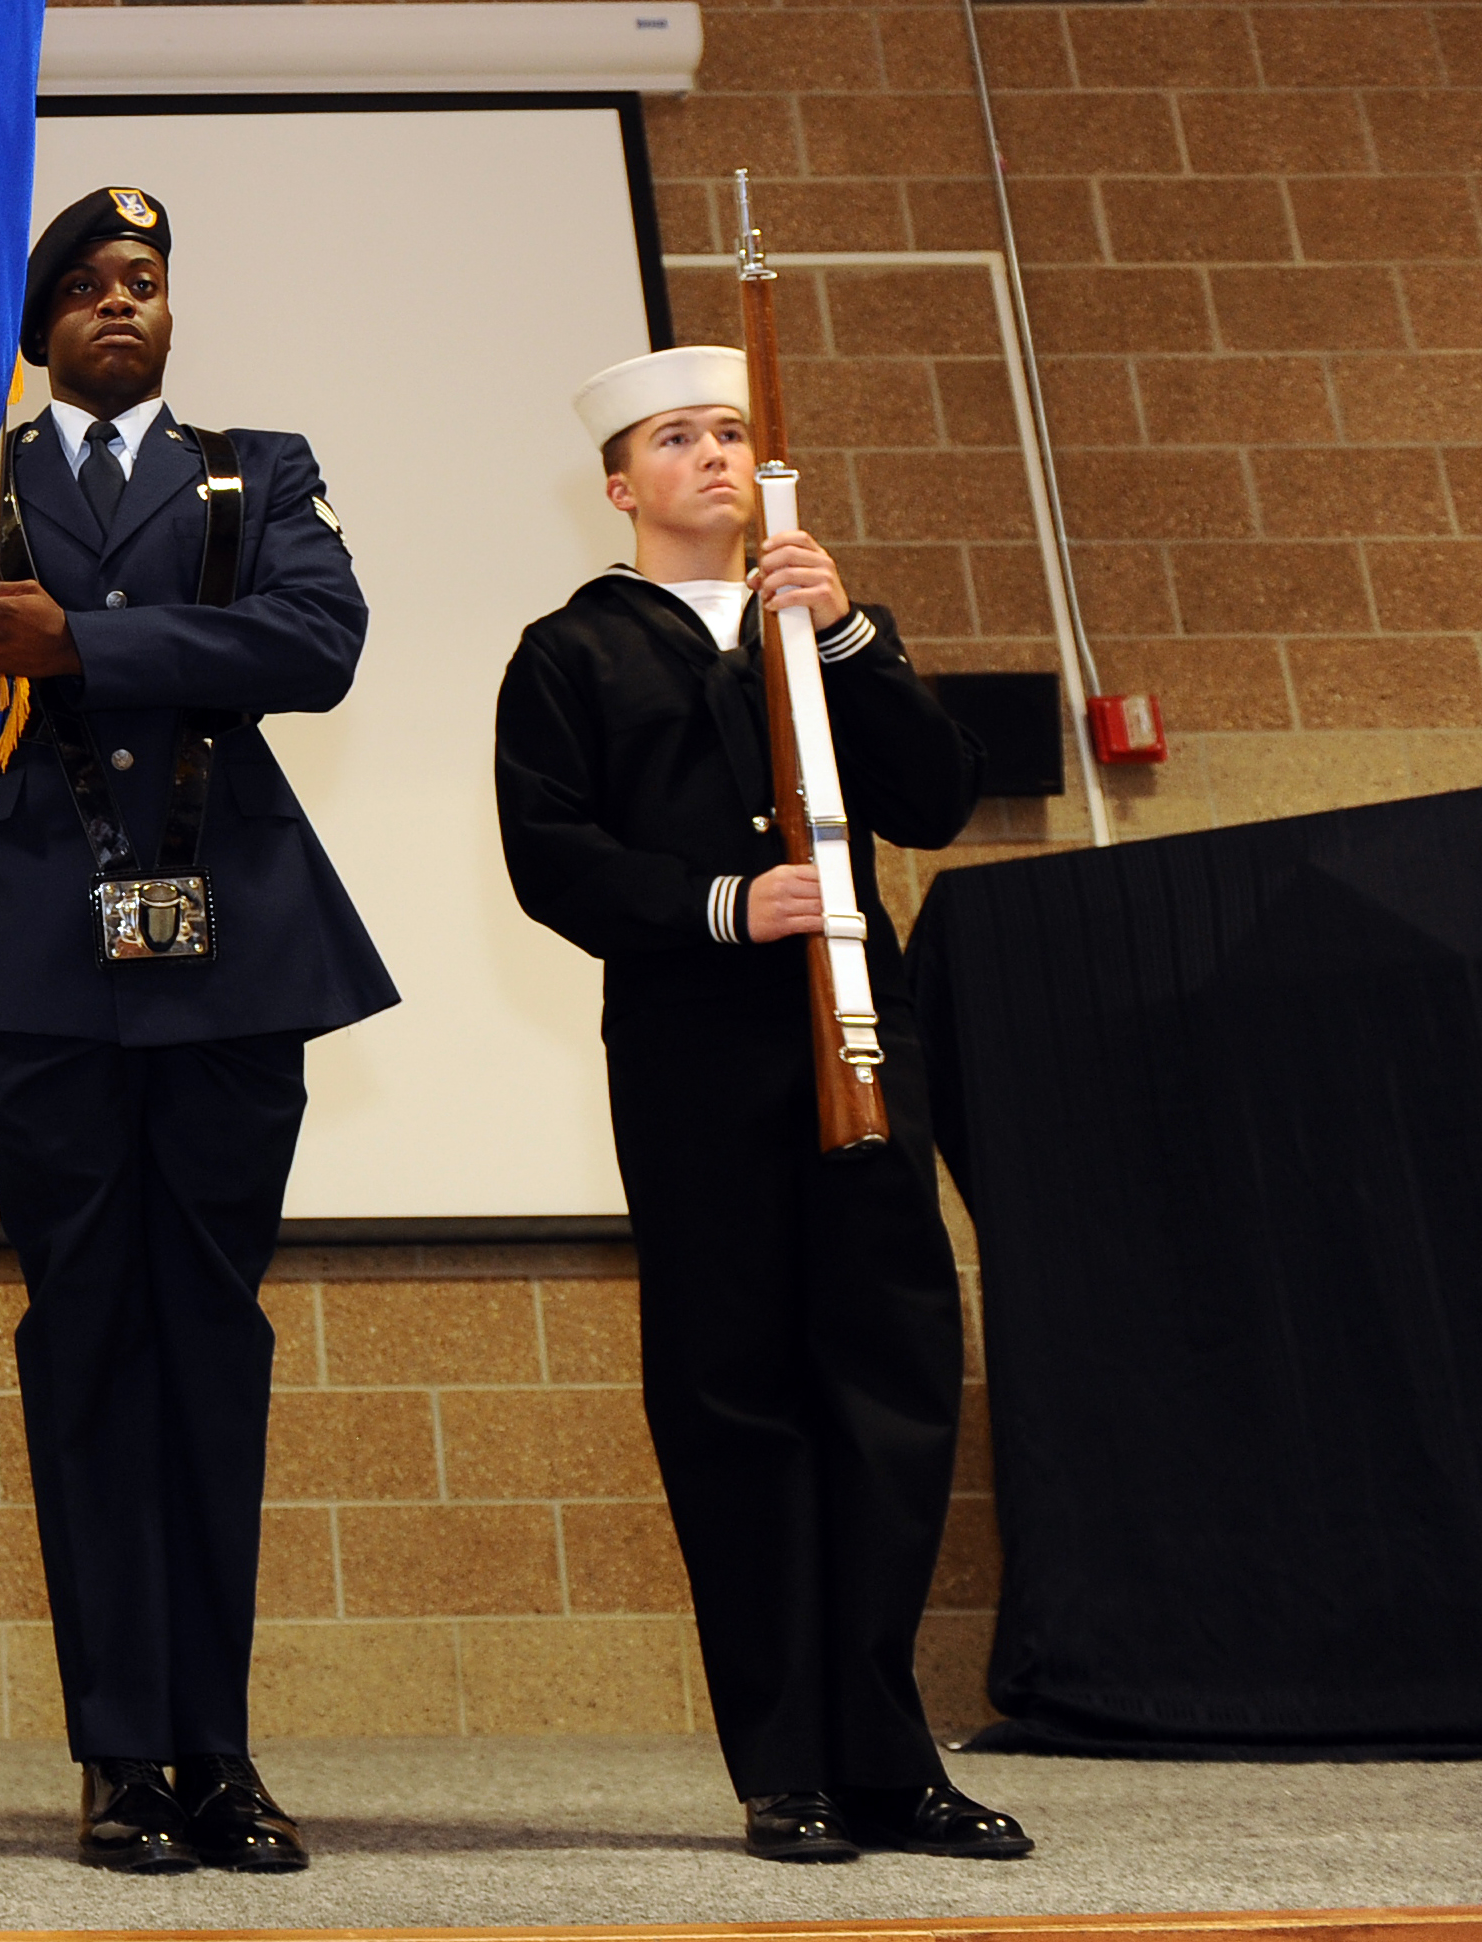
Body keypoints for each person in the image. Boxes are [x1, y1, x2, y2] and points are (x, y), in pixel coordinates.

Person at [0, 188, 397, 1876]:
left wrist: (83, 642)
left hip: (230, 954)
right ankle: (120, 1752)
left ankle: (217, 1750)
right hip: (36, 953)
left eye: (146, 281)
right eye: (88, 285)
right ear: (35, 330)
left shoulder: (256, 472)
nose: (121, 302)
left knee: (210, 1340)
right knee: (87, 1342)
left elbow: (315, 643)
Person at [491, 346, 1030, 1866]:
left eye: (732, 430)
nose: (715, 455)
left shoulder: (825, 627)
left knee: (889, 1385)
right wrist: (725, 903)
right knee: (734, 1395)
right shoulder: (571, 652)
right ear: (619, 484)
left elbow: (934, 796)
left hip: (859, 1041)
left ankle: (887, 1759)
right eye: (677, 437)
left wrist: (847, 635)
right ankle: (786, 1763)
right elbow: (552, 857)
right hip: (697, 1050)